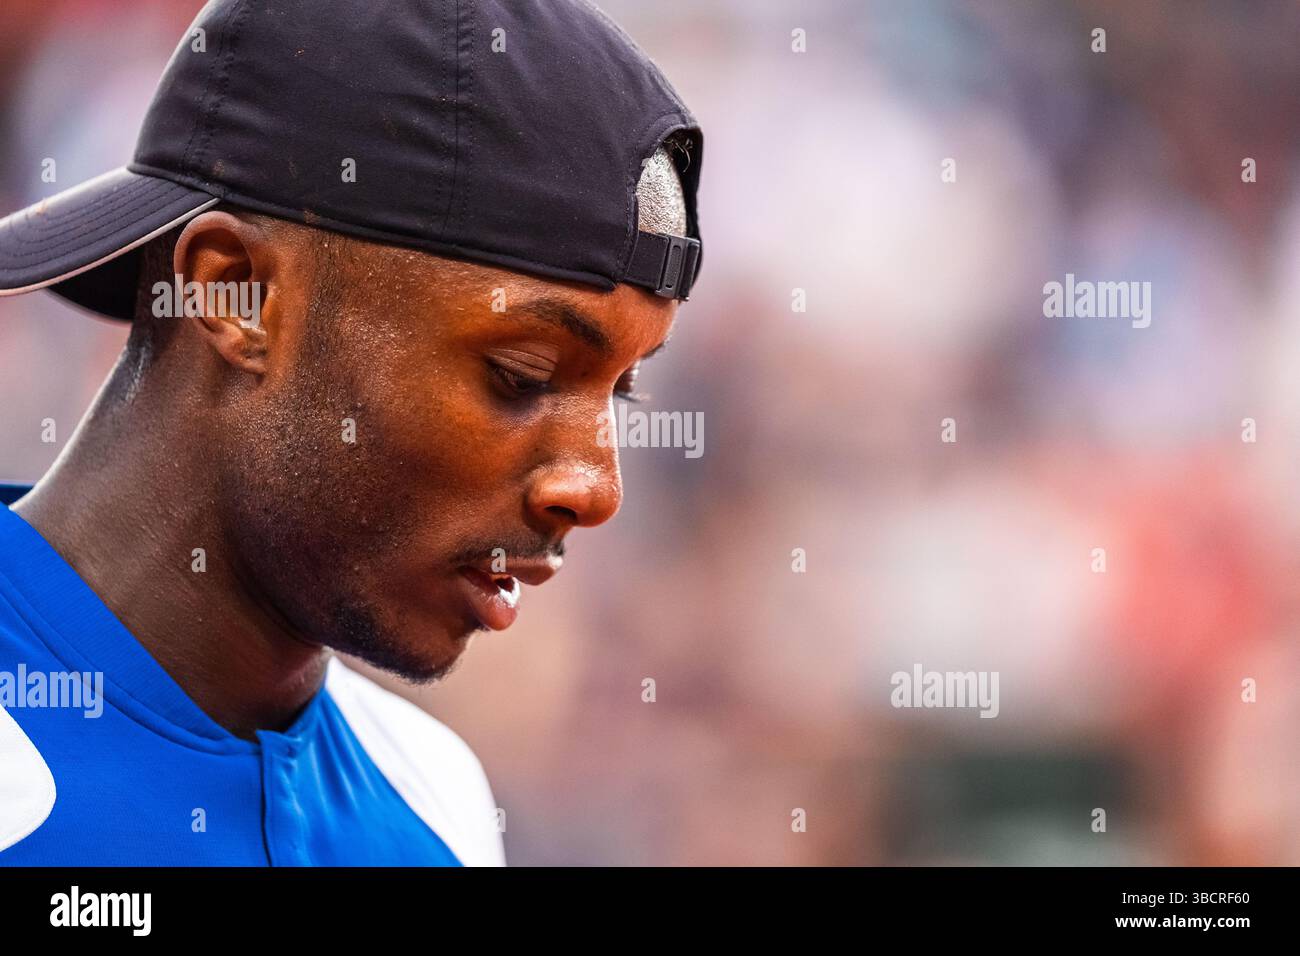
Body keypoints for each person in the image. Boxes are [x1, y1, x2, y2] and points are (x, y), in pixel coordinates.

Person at [0, 0, 704, 865]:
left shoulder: (435, 797)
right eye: (521, 374)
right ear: (238, 295)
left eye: (622, 390)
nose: (594, 490)